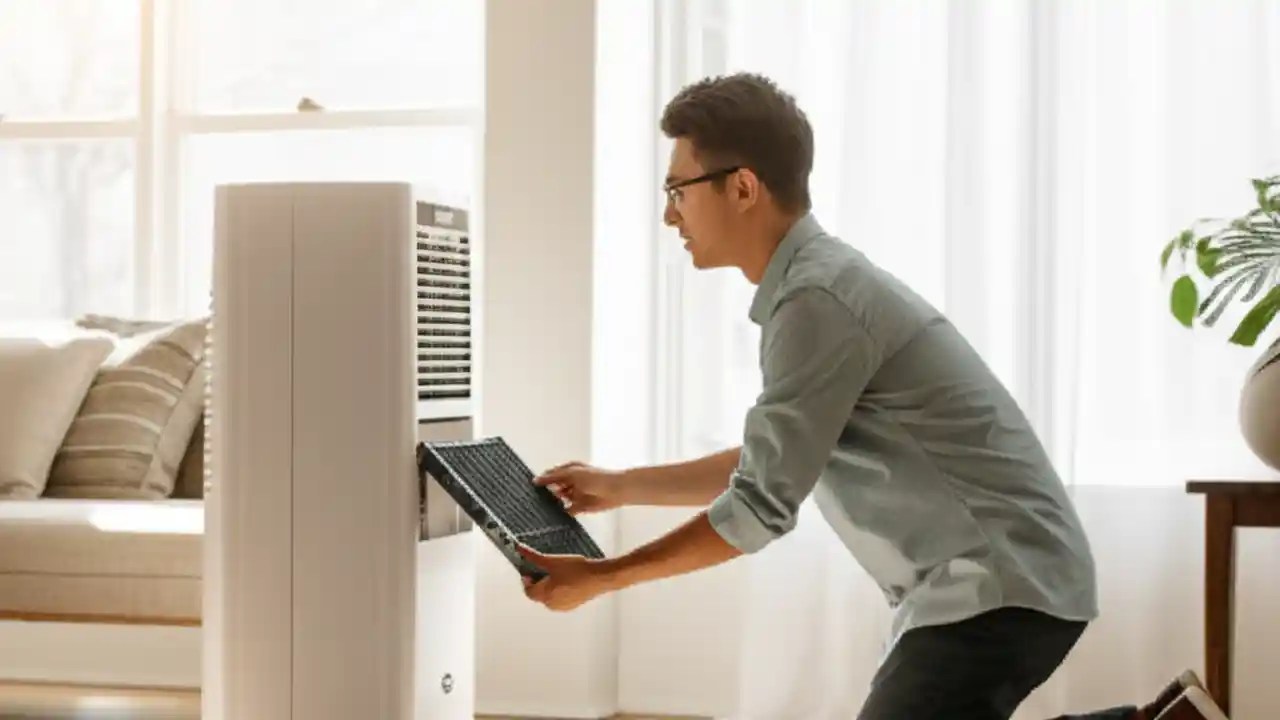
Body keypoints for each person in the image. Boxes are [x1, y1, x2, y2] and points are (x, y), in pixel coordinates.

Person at [515, 72, 1230, 720]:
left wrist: (602, 579)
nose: (670, 216)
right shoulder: (816, 287)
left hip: (999, 582)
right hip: (1003, 579)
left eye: (678, 191)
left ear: (742, 187)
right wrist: (620, 486)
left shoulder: (815, 301)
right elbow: (778, 460)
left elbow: (760, 507)